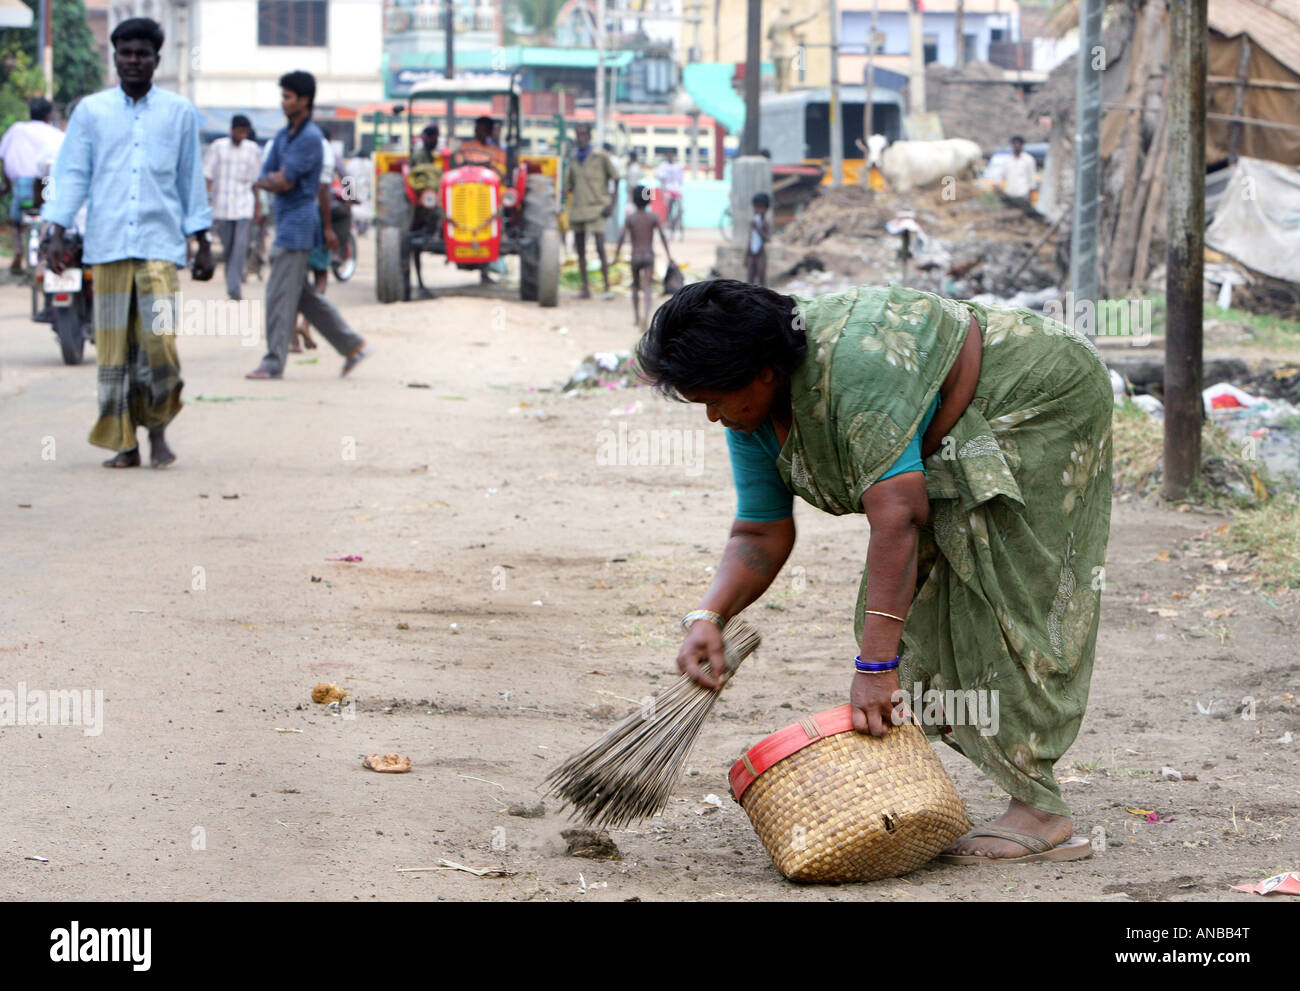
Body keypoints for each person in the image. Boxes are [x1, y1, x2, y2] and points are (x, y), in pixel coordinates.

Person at [635, 279, 1113, 864]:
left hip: (1035, 390)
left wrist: (875, 667)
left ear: (763, 373)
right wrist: (711, 615)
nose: (711, 417)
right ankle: (959, 767)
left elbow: (898, 518)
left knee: (999, 580)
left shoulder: (855, 375)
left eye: (713, 399)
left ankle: (1040, 809)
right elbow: (760, 530)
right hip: (944, 414)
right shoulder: (754, 410)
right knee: (910, 601)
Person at [42, 17, 215, 468]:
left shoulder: (179, 112)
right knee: (116, 351)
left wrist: (203, 240)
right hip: (108, 246)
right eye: (126, 53)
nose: (134, 60)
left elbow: (189, 180)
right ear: (115, 57)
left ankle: (158, 428)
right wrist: (55, 229)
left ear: (158, 59)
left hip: (160, 247)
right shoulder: (91, 112)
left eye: (143, 53)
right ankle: (127, 443)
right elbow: (72, 174)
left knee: (159, 347)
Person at [246, 70, 369, 380]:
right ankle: (352, 345)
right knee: (303, 294)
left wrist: (349, 207)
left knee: (281, 294)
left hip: (317, 216)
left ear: (304, 101)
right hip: (308, 214)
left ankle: (274, 361)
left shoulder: (313, 141)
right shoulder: (285, 138)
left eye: (288, 97)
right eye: (283, 96)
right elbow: (273, 176)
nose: (283, 102)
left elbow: (291, 182)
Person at [1, 97, 65, 273]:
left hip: (22, 184)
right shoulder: (56, 134)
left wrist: (6, 186)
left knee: (16, 221)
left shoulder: (17, 130)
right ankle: (46, 244)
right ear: (48, 115)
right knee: (49, 216)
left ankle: (19, 249)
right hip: (47, 183)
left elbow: (4, 159)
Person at [204, 113, 262, 300]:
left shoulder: (252, 150)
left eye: (245, 132)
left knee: (240, 246)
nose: (242, 135)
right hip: (223, 206)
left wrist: (258, 206)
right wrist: (207, 200)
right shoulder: (218, 147)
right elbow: (208, 176)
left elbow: (256, 181)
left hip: (244, 205)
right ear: (232, 130)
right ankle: (232, 281)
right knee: (228, 247)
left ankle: (234, 286)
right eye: (240, 131)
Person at [294, 120, 340, 351]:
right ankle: (306, 323)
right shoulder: (328, 152)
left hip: (295, 215)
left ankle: (291, 335)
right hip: (319, 214)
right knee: (321, 275)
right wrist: (350, 197)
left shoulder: (296, 144)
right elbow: (337, 181)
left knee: (296, 278)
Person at [565, 122, 618, 300]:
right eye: (578, 134)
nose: (581, 137)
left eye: (583, 134)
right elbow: (569, 185)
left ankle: (606, 287)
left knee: (600, 248)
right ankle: (585, 288)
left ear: (589, 136)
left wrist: (612, 203)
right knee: (580, 250)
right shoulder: (573, 159)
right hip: (579, 208)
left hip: (597, 208)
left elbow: (616, 178)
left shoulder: (601, 156)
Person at [613, 184, 673, 331]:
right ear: (648, 200)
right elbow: (663, 236)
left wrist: (616, 255)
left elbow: (621, 237)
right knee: (647, 286)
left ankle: (636, 317)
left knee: (635, 285)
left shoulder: (631, 218)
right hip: (648, 256)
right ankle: (646, 315)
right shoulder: (653, 217)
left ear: (634, 200)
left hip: (635, 256)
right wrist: (669, 255)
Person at [655, 148, 684, 241]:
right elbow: (660, 176)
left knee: (680, 211)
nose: (670, 156)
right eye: (668, 154)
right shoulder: (663, 166)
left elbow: (681, 179)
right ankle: (668, 231)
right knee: (668, 211)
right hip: (667, 191)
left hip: (677, 191)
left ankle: (678, 231)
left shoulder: (678, 166)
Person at [1001, 135, 1037, 203]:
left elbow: (1031, 178)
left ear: (1022, 145)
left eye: (1018, 143)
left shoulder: (1028, 159)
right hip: (1009, 193)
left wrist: (1031, 193)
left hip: (1023, 193)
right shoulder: (1007, 160)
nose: (1016, 145)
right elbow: (1002, 176)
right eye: (1015, 143)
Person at [747, 192, 771, 287]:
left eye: (761, 207)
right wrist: (746, 256)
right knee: (749, 280)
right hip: (751, 255)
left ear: (766, 209)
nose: (758, 210)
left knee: (761, 279)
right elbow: (750, 240)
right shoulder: (753, 222)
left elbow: (768, 238)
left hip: (761, 255)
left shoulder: (765, 223)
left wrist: (758, 229)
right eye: (756, 207)